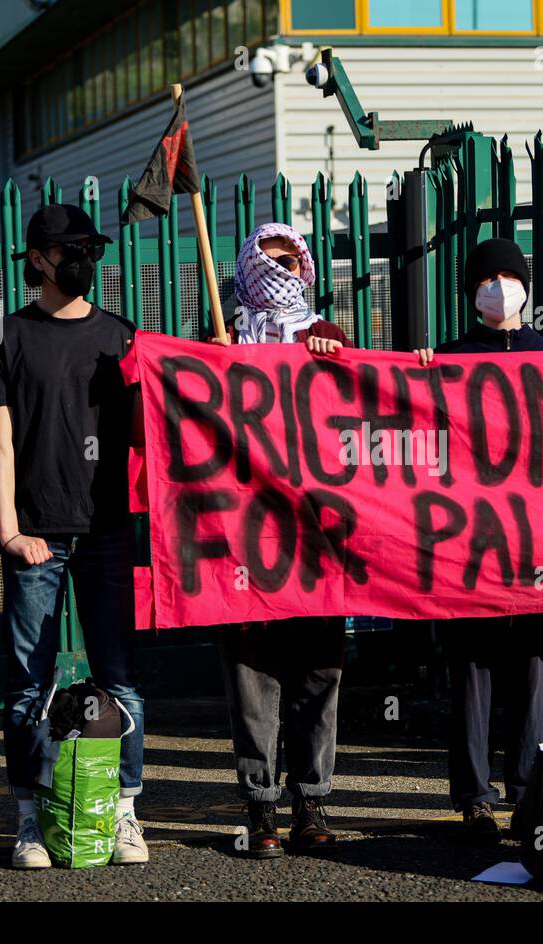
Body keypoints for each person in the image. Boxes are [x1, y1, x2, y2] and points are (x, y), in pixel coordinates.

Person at [412, 237, 543, 843]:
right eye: (487, 278)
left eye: (509, 275)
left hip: (537, 540)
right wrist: (414, 375)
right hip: (468, 539)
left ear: (527, 285)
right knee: (470, 666)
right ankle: (475, 795)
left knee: (531, 666)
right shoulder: (446, 358)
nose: (499, 287)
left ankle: (528, 789)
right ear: (470, 293)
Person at [0, 203, 147, 869]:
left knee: (121, 680)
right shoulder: (4, 337)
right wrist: (10, 531)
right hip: (36, 539)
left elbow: (155, 424)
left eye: (89, 247)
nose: (83, 260)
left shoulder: (123, 336)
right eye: (69, 249)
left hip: (108, 532)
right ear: (38, 257)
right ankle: (28, 820)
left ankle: (127, 812)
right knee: (29, 683)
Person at [215, 222, 349, 857]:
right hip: (245, 531)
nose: (283, 271)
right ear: (246, 267)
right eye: (269, 260)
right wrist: (213, 368)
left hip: (317, 530)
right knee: (253, 670)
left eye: (292, 258)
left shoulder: (329, 337)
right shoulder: (221, 340)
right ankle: (261, 805)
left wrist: (340, 366)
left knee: (319, 669)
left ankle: (312, 801)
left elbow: (363, 411)